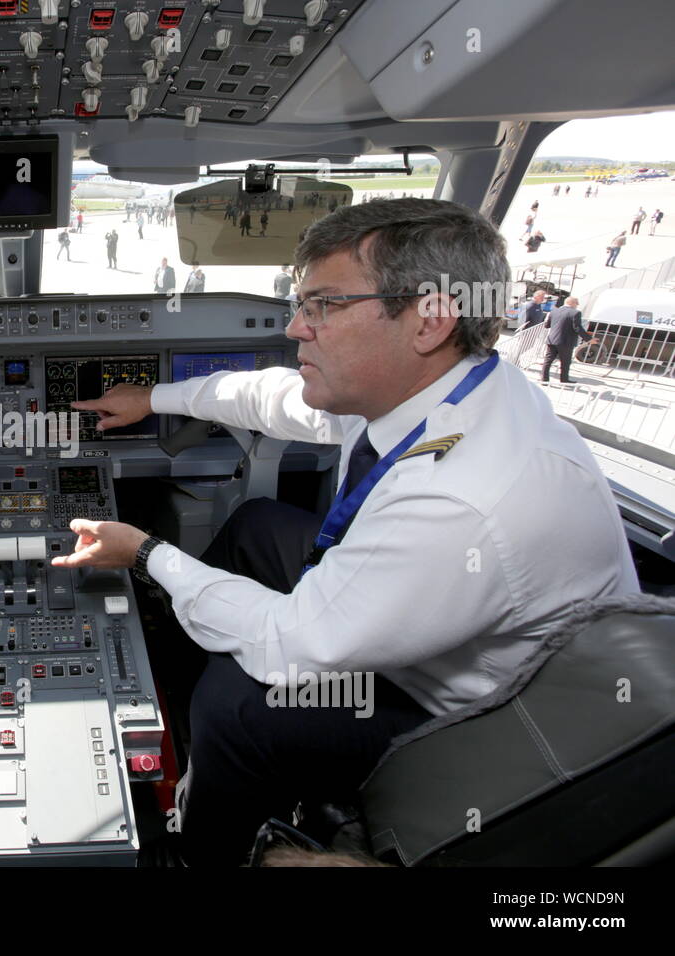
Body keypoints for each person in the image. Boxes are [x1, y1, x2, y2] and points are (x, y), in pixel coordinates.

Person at [52, 198, 638, 866]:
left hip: (482, 720)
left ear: (428, 319)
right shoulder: (442, 387)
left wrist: (147, 552)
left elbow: (290, 646)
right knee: (256, 526)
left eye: (325, 305)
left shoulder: (465, 497)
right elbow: (270, 397)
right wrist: (153, 398)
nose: (297, 327)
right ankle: (173, 689)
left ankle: (198, 851)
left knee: (236, 703)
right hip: (435, 620)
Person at [540, 296, 589, 384]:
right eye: (576, 303)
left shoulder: (554, 311)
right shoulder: (576, 313)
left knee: (548, 360)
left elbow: (547, 325)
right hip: (566, 341)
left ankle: (544, 379)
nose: (577, 305)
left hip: (552, 340)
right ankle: (564, 379)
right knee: (565, 362)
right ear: (572, 303)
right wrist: (589, 339)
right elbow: (577, 328)